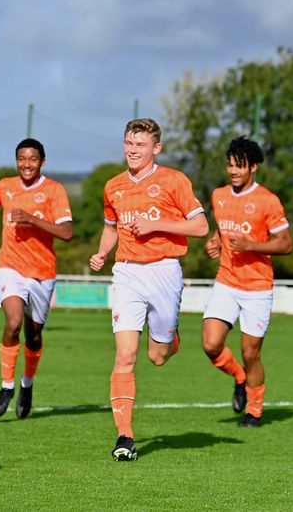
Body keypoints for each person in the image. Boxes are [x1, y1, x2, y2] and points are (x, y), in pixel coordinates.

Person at [89, 119, 208, 461]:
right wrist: (101, 252)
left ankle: (170, 338)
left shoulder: (174, 180)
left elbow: (200, 226)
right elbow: (111, 227)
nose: (132, 150)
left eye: (140, 145)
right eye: (128, 143)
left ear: (156, 148)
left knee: (157, 357)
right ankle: (124, 436)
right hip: (126, 273)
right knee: (125, 356)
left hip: (164, 271)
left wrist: (156, 224)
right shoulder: (113, 186)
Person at [0, 138, 73, 419]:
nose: (26, 164)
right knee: (13, 322)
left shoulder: (54, 191)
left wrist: (32, 219)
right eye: (21, 159)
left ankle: (26, 383)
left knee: (34, 334)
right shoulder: (5, 186)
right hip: (10, 266)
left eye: (32, 159)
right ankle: (6, 387)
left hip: (42, 272)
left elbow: (66, 233)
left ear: (42, 161)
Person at [201, 137, 291, 428]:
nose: (233, 170)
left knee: (251, 353)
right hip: (226, 281)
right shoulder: (219, 196)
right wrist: (214, 242)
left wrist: (251, 245)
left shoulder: (268, 201)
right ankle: (239, 378)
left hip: (257, 288)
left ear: (253, 167)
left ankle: (254, 411)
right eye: (229, 165)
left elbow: (285, 244)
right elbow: (221, 230)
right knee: (211, 343)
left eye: (239, 165)